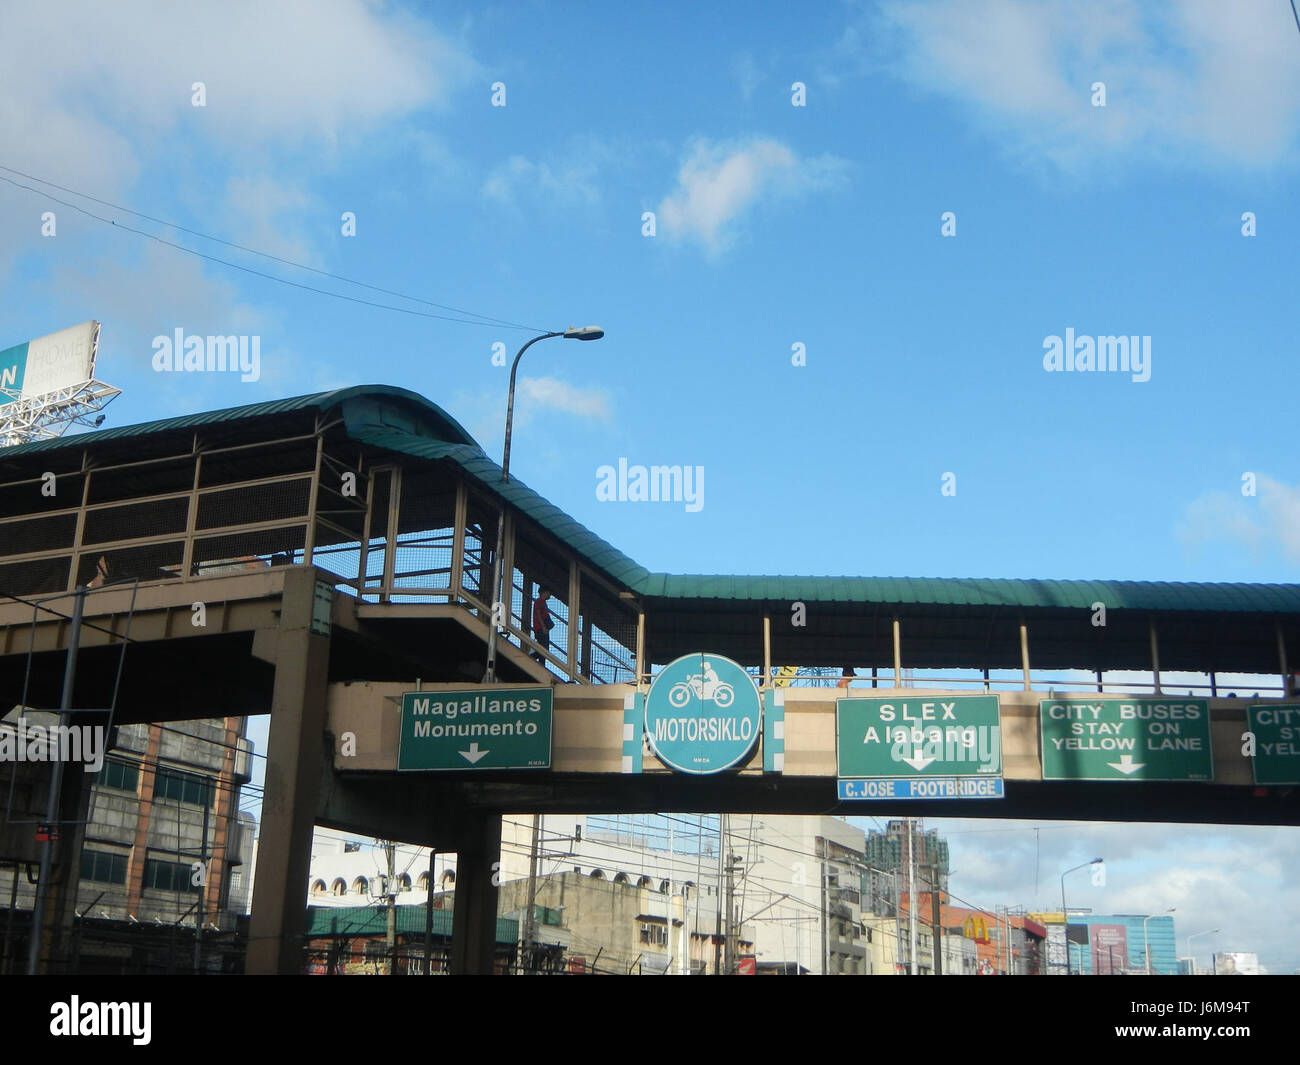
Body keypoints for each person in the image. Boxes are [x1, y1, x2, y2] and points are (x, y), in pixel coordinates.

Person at [531, 587, 554, 663]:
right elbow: (538, 614)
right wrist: (543, 627)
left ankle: (535, 659)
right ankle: (533, 658)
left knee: (544, 649)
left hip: (541, 628)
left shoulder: (542, 602)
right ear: (544, 592)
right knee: (544, 649)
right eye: (549, 593)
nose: (550, 595)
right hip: (540, 629)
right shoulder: (539, 601)